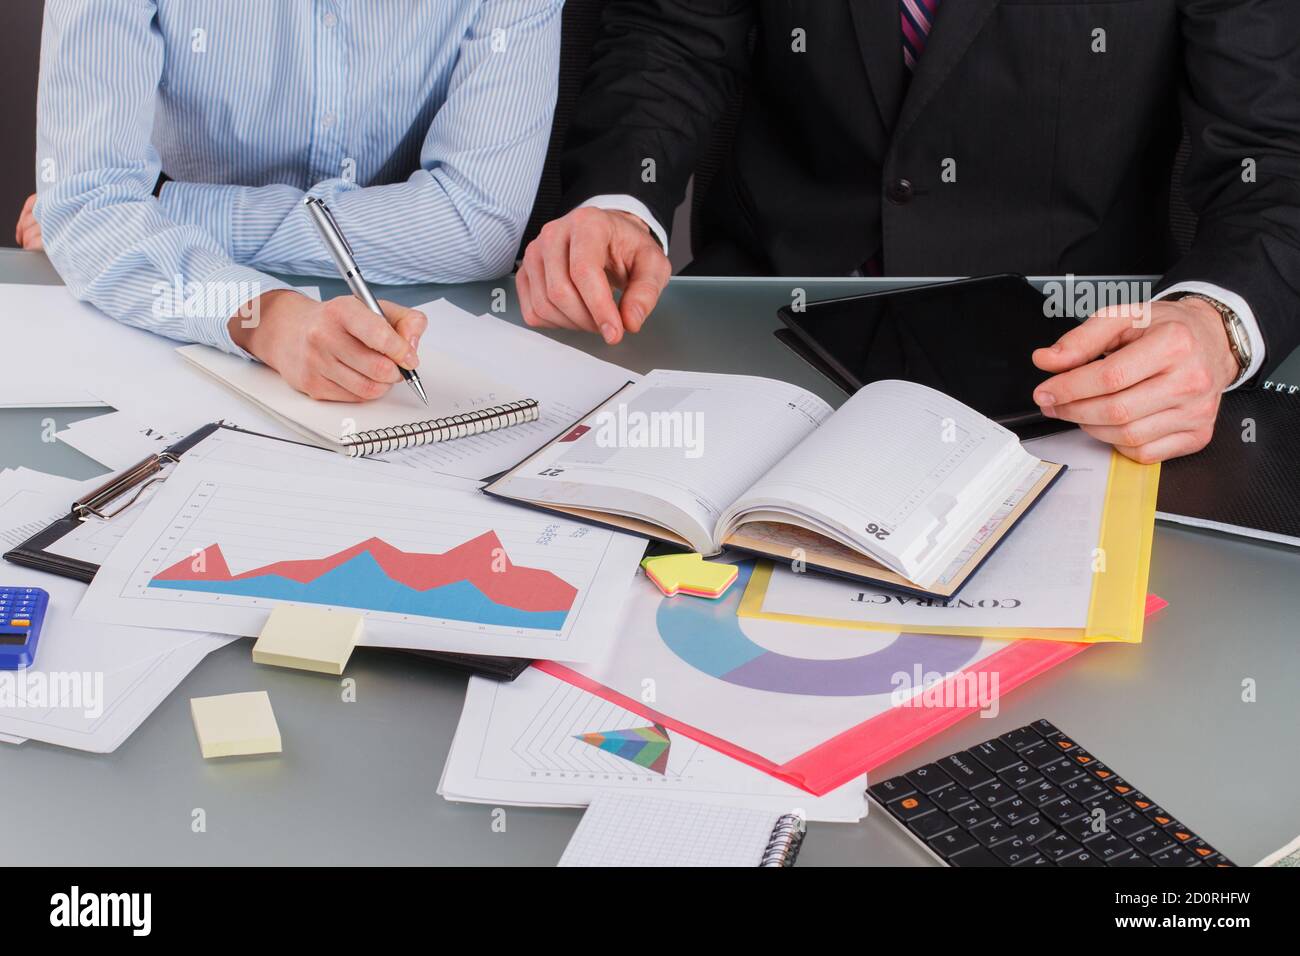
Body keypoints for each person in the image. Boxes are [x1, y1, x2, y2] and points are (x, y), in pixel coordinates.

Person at [519, 0, 1300, 463]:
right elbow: (673, 33)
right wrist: (621, 200)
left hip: (1078, 373)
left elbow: (1278, 152)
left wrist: (1217, 324)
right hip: (763, 328)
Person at [22, 0, 561, 402]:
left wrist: (167, 206)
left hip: (418, 311)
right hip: (165, 321)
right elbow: (90, 202)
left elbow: (475, 224)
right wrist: (265, 318)